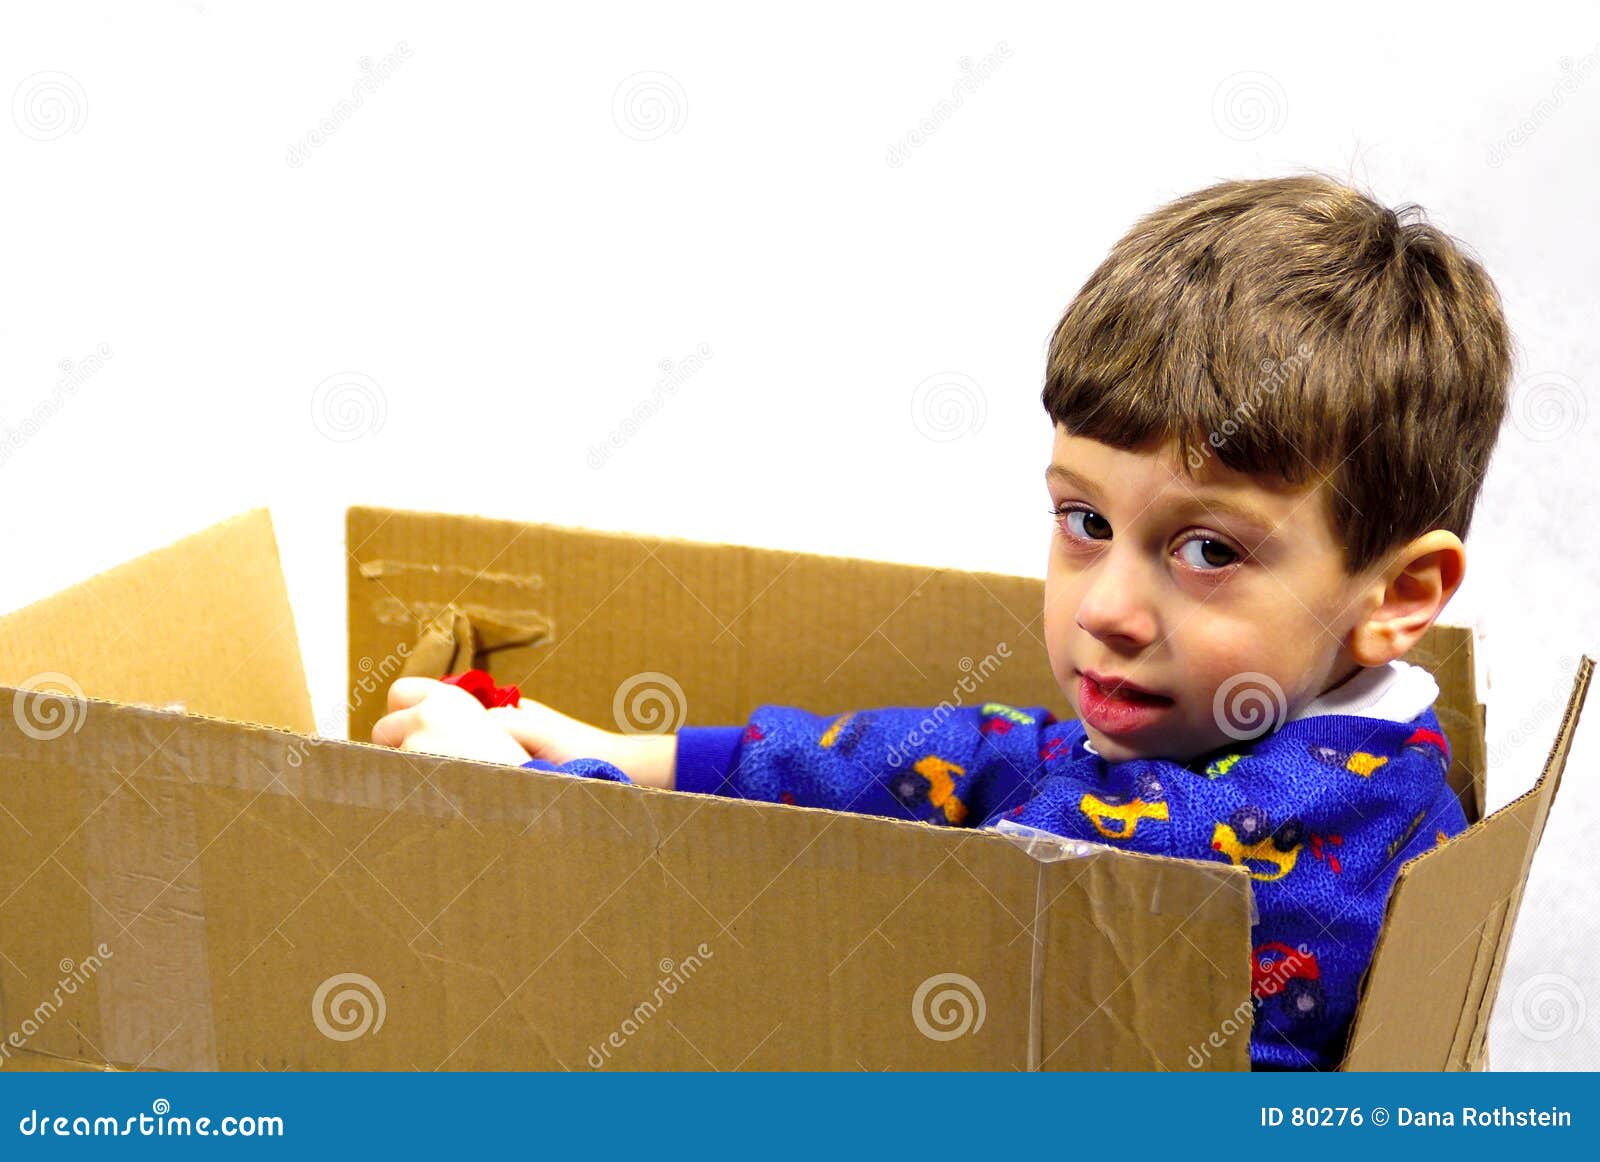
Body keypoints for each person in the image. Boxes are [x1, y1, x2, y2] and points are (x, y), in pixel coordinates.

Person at [372, 173, 1514, 1070]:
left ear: (1399, 596)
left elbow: (831, 951)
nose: (1107, 609)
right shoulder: (1349, 741)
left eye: (1207, 551)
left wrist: (526, 806)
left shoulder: (1207, 835)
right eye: (1085, 521)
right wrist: (628, 756)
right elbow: (977, 754)